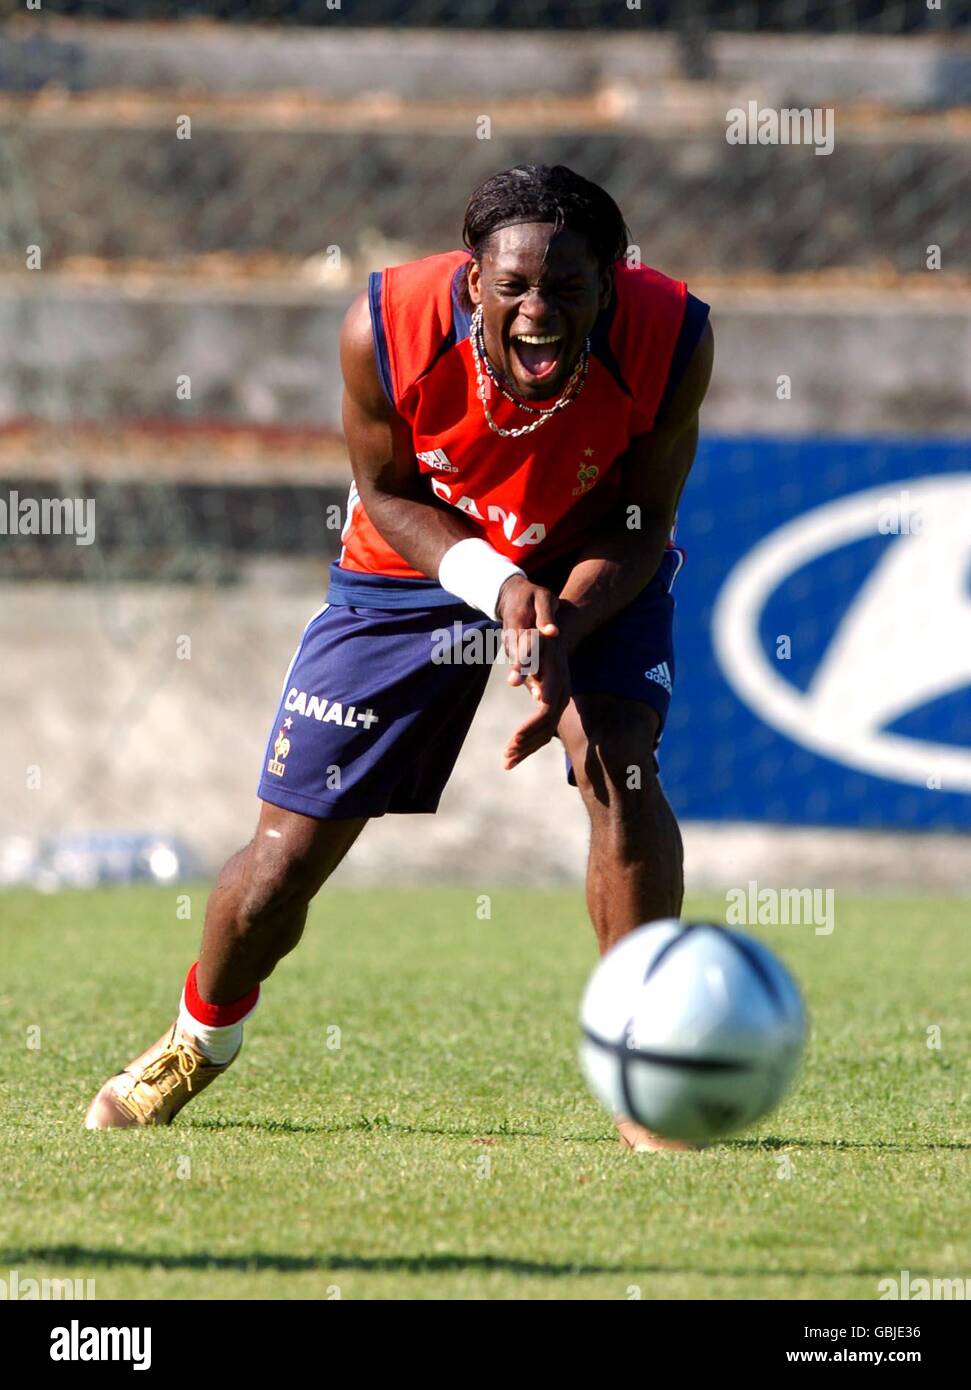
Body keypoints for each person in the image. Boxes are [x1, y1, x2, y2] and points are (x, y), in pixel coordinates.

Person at [86, 164, 713, 1153]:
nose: (537, 312)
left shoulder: (671, 336)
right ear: (472, 284)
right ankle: (197, 1040)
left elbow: (645, 523)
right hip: (414, 558)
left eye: (566, 290)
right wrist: (497, 588)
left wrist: (562, 626)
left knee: (617, 761)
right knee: (284, 860)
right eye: (511, 288)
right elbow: (384, 491)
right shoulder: (380, 331)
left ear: (611, 287)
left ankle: (642, 1065)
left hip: (588, 552)